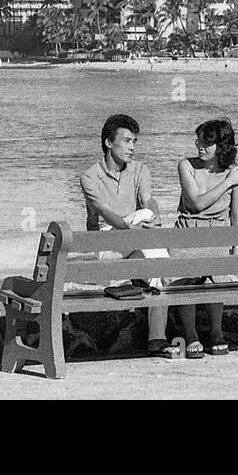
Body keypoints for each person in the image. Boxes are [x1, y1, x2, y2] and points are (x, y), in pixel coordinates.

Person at [77, 114, 170, 355]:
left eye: (134, 142)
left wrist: (155, 216)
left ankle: (156, 339)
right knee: (143, 221)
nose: (132, 147)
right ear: (109, 143)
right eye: (127, 141)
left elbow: (149, 200)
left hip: (135, 239)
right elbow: (105, 214)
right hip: (107, 243)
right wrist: (136, 230)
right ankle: (159, 334)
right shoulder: (89, 177)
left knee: (157, 266)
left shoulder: (140, 169)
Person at [173, 119, 238, 358]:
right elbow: (196, 203)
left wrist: (236, 254)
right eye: (198, 140)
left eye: (207, 142)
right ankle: (191, 334)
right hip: (187, 234)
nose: (200, 146)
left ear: (222, 145)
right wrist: (228, 183)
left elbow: (237, 218)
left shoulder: (236, 174)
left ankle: (216, 332)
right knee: (187, 281)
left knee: (216, 280)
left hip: (217, 236)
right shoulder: (187, 166)